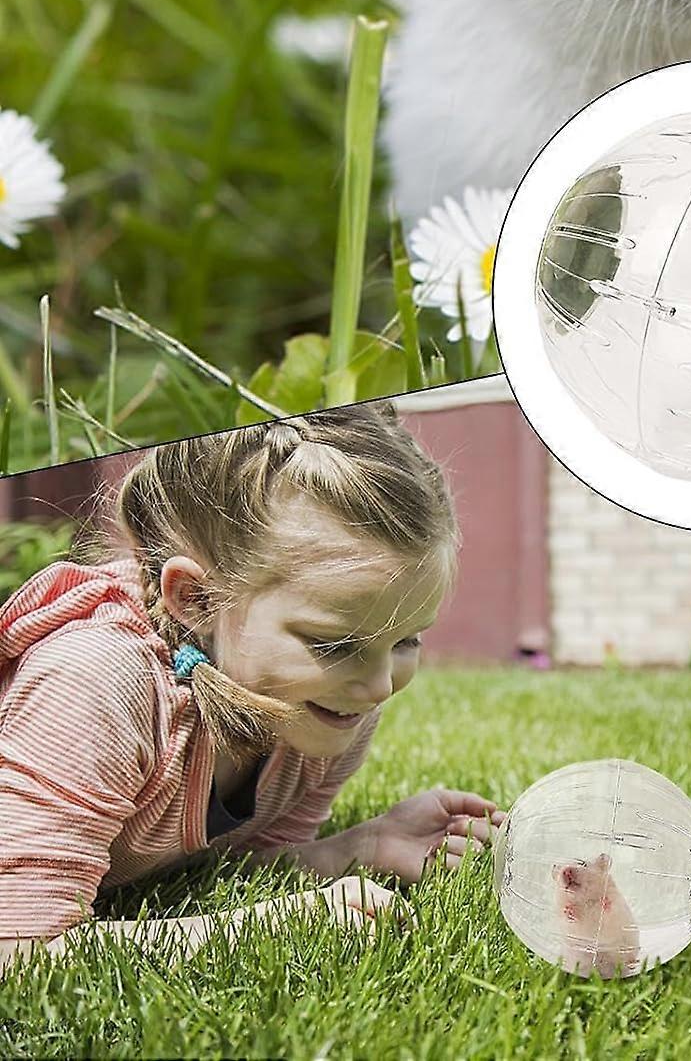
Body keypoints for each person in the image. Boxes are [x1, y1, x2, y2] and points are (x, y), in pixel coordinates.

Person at [0, 403, 502, 967]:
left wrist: (359, 846)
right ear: (195, 599)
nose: (381, 685)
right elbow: (19, 950)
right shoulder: (95, 684)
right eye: (335, 644)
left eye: (406, 640)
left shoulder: (328, 707)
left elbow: (224, 871)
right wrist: (259, 927)